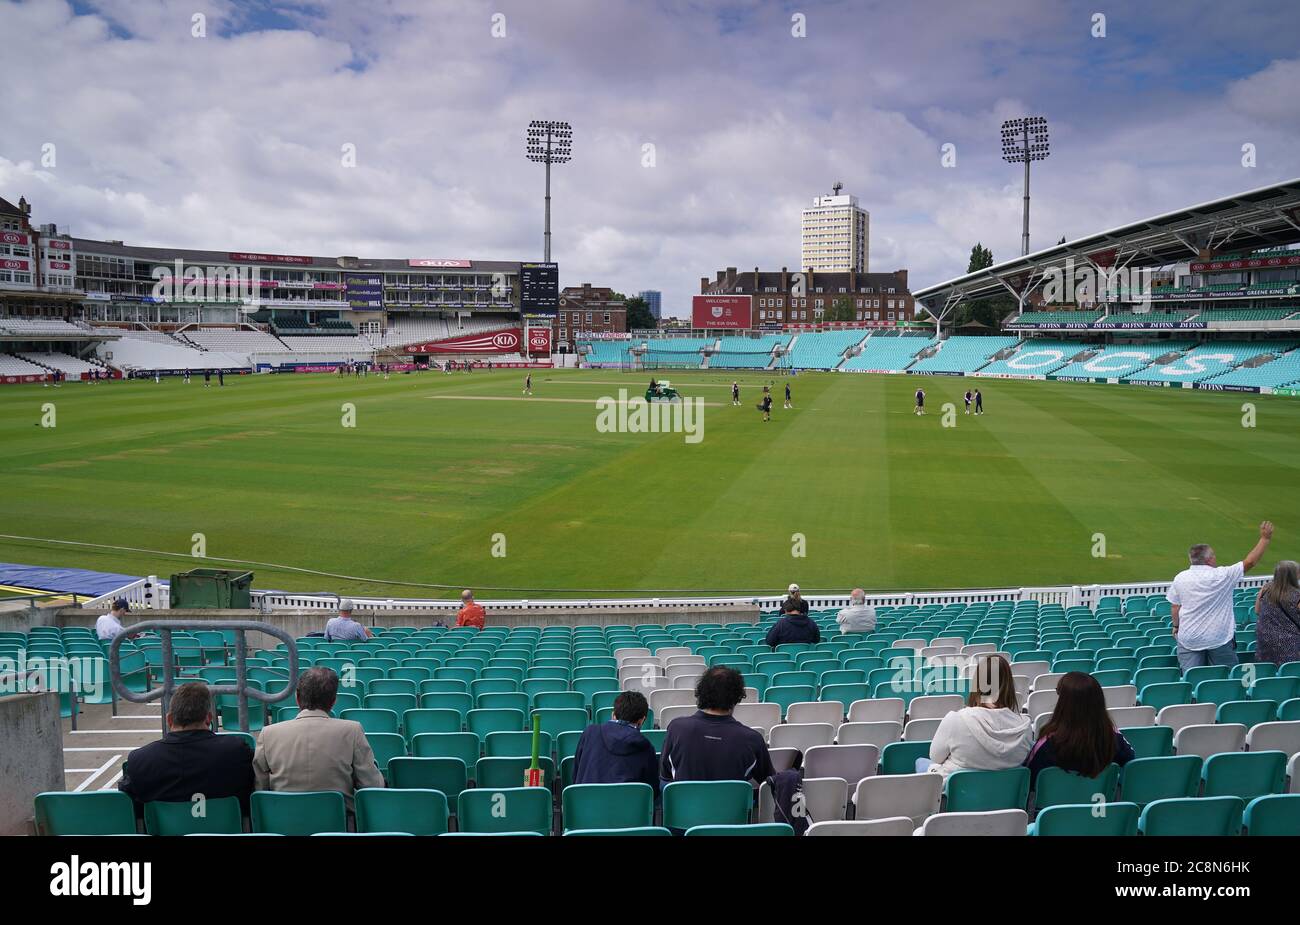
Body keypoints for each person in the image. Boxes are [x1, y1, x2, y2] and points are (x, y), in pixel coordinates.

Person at [252, 668, 385, 814]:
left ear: (297, 698)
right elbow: (372, 786)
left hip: (283, 820)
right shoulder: (352, 731)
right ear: (333, 701)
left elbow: (260, 789)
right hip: (338, 823)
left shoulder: (268, 734)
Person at [118, 682, 255, 817]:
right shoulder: (237, 751)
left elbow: (130, 810)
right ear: (208, 718)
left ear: (169, 720)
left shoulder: (140, 761)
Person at [1167, 521, 1273, 671]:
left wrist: (1176, 626)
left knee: (1192, 679)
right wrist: (1265, 539)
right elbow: (1250, 561)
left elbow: (1175, 606)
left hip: (1190, 636)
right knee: (1226, 677)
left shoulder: (1180, 578)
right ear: (1209, 559)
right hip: (1219, 637)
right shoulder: (1223, 575)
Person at [916, 655, 1033, 776]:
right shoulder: (1025, 727)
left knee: (921, 762)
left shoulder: (956, 719)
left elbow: (935, 757)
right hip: (1006, 793)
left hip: (959, 792)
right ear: (1009, 684)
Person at [659, 667, 774, 787]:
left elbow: (665, 775)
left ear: (701, 693)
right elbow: (769, 782)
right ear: (737, 697)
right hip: (732, 805)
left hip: (684, 804)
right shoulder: (752, 739)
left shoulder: (676, 728)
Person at [1023, 672, 1135, 787]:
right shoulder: (1112, 736)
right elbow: (1130, 760)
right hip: (1099, 801)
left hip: (1053, 804)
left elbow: (1030, 778)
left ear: (1064, 702)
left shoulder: (1047, 742)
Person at [573, 691, 659, 794]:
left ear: (613, 715)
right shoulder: (647, 748)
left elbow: (576, 775)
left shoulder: (589, 733)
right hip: (628, 808)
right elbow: (652, 792)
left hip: (587, 806)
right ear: (642, 721)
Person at [1254, 560, 1300, 666]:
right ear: (1292, 576)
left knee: (1267, 673)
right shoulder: (1297, 595)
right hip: (1291, 645)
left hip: (1265, 642)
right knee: (1288, 672)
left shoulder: (1265, 589)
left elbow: (1257, 610)